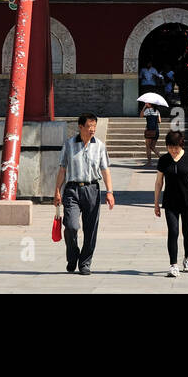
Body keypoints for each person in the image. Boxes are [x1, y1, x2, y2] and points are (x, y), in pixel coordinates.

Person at [54, 113, 115, 276]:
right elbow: (62, 169)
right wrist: (57, 191)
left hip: (92, 190)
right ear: (80, 127)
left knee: (90, 229)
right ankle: (73, 256)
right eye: (89, 126)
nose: (92, 129)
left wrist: (110, 191)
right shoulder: (69, 144)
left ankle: (85, 263)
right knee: (71, 226)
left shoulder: (100, 146)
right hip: (72, 190)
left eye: (94, 126)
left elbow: (105, 170)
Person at [154, 130, 188, 277]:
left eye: (175, 147)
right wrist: (156, 203)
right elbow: (159, 183)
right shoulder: (164, 160)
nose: (173, 150)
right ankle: (173, 265)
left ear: (181, 145)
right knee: (173, 232)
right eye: (170, 147)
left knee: (187, 232)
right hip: (170, 202)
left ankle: (187, 257)